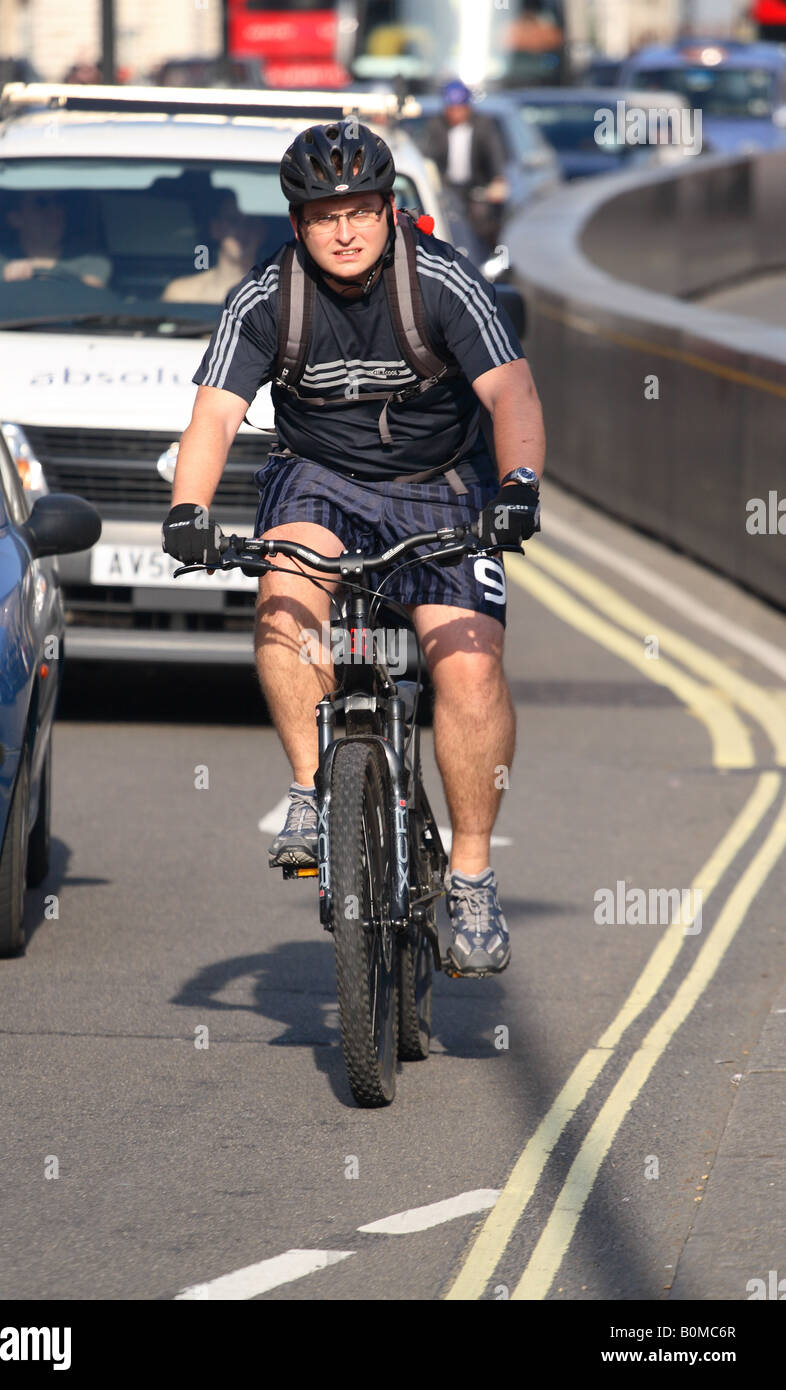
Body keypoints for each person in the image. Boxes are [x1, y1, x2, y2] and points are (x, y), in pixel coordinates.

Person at [161, 122, 545, 977]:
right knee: (285, 591)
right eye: (325, 215)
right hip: (317, 478)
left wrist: (517, 487)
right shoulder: (266, 297)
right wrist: (187, 510)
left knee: (471, 668)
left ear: (390, 211)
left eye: (363, 212)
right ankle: (310, 792)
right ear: (296, 223)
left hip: (442, 483)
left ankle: (474, 880)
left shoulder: (441, 280)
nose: (345, 231)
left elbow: (510, 388)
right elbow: (216, 413)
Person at [424, 79, 508, 248]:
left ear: (468, 108)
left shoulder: (483, 126)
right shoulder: (436, 126)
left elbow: (494, 154)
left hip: (476, 186)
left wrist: (498, 179)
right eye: (451, 109)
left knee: (484, 221)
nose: (455, 113)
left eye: (459, 109)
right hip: (447, 187)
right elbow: (429, 155)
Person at [0, 191, 111, 290]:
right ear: (16, 218)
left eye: (59, 202)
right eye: (41, 203)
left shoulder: (90, 261)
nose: (56, 211)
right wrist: (2, 282)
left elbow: (90, 299)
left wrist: (37, 274)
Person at [163, 189, 266, 305]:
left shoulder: (275, 296)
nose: (242, 230)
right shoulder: (181, 294)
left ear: (261, 231)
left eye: (250, 222)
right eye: (233, 220)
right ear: (215, 228)